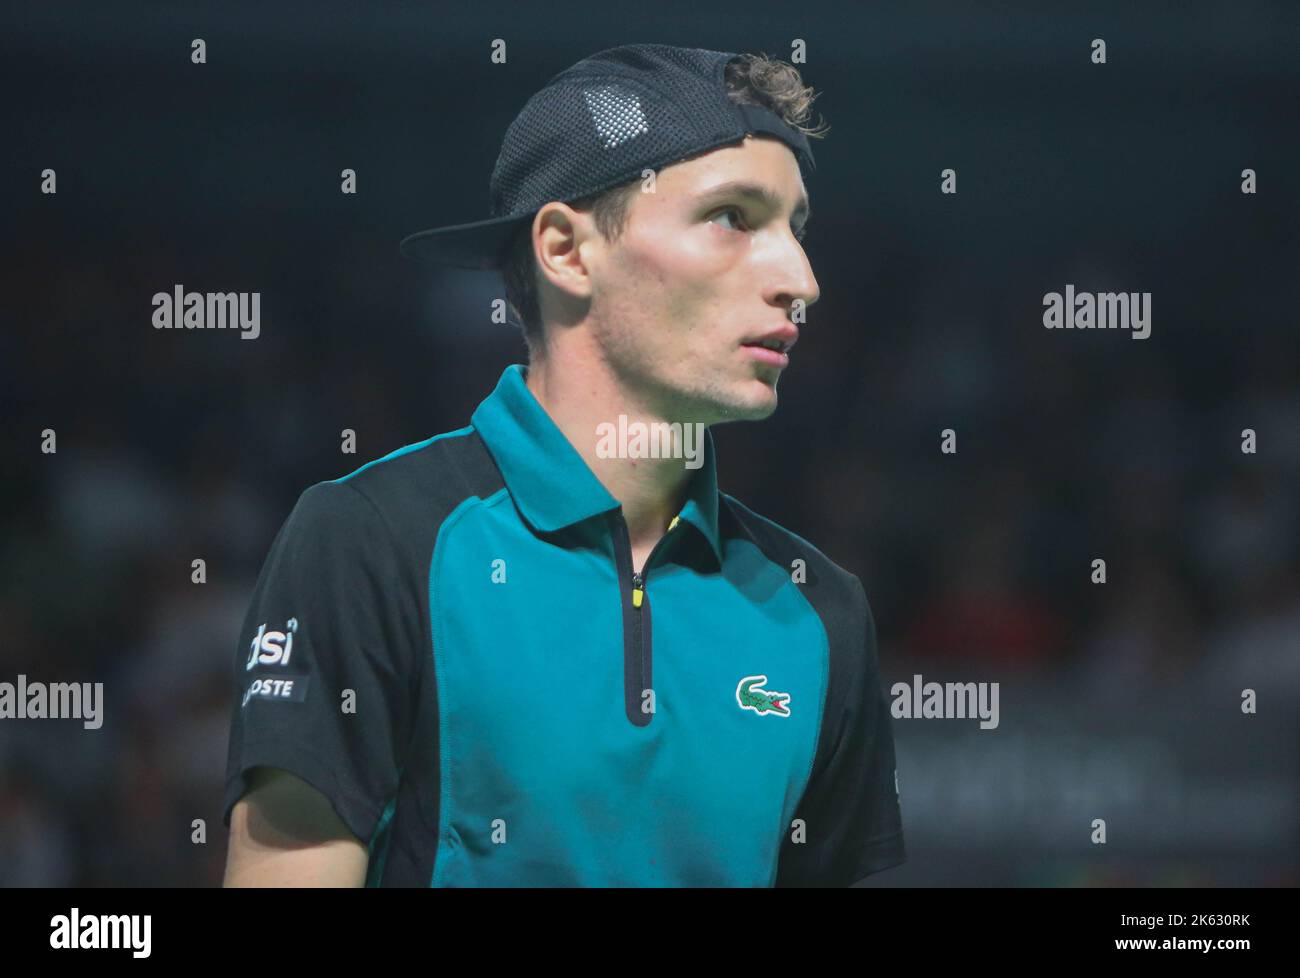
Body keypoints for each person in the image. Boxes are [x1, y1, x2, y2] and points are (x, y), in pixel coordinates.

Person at [222, 42, 904, 887]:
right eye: (732, 217)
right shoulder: (369, 541)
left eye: (795, 229)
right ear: (566, 251)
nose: (801, 278)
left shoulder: (821, 610)